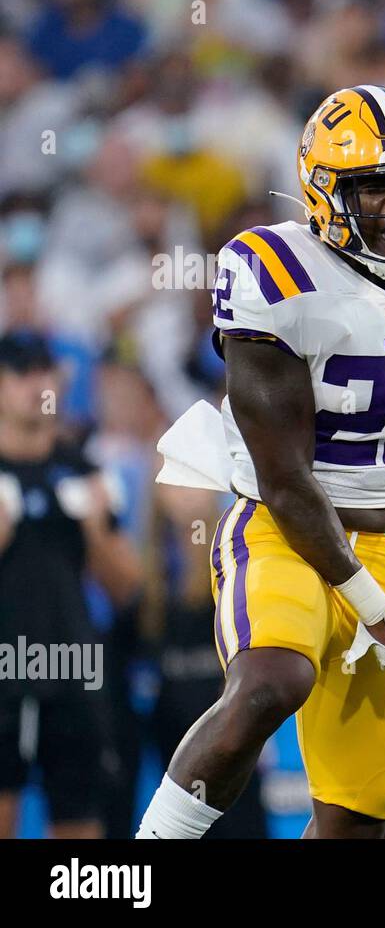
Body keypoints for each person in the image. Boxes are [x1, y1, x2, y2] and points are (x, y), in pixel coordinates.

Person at [136, 85, 385, 839]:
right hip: (281, 530)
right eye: (376, 187)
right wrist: (370, 606)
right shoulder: (274, 273)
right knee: (273, 680)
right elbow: (284, 479)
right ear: (326, 192)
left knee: (355, 819)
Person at [0, 332, 142, 838]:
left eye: (44, 372)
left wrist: (96, 531)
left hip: (74, 672)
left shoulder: (85, 473)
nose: (36, 385)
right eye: (22, 373)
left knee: (81, 828)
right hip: (3, 669)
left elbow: (128, 591)